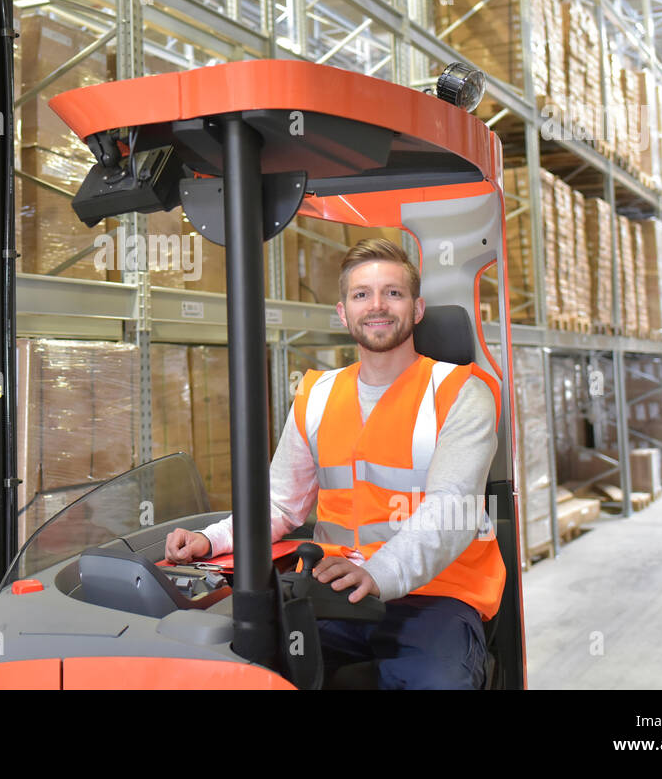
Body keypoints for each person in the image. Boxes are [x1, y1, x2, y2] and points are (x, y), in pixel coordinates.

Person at [164, 238, 505, 689]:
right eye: (362, 294)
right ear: (343, 312)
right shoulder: (317, 396)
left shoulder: (462, 392)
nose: (377, 305)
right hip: (335, 590)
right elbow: (281, 506)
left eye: (394, 293)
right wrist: (210, 541)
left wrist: (379, 572)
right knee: (242, 666)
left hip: (438, 596)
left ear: (417, 309)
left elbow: (451, 507)